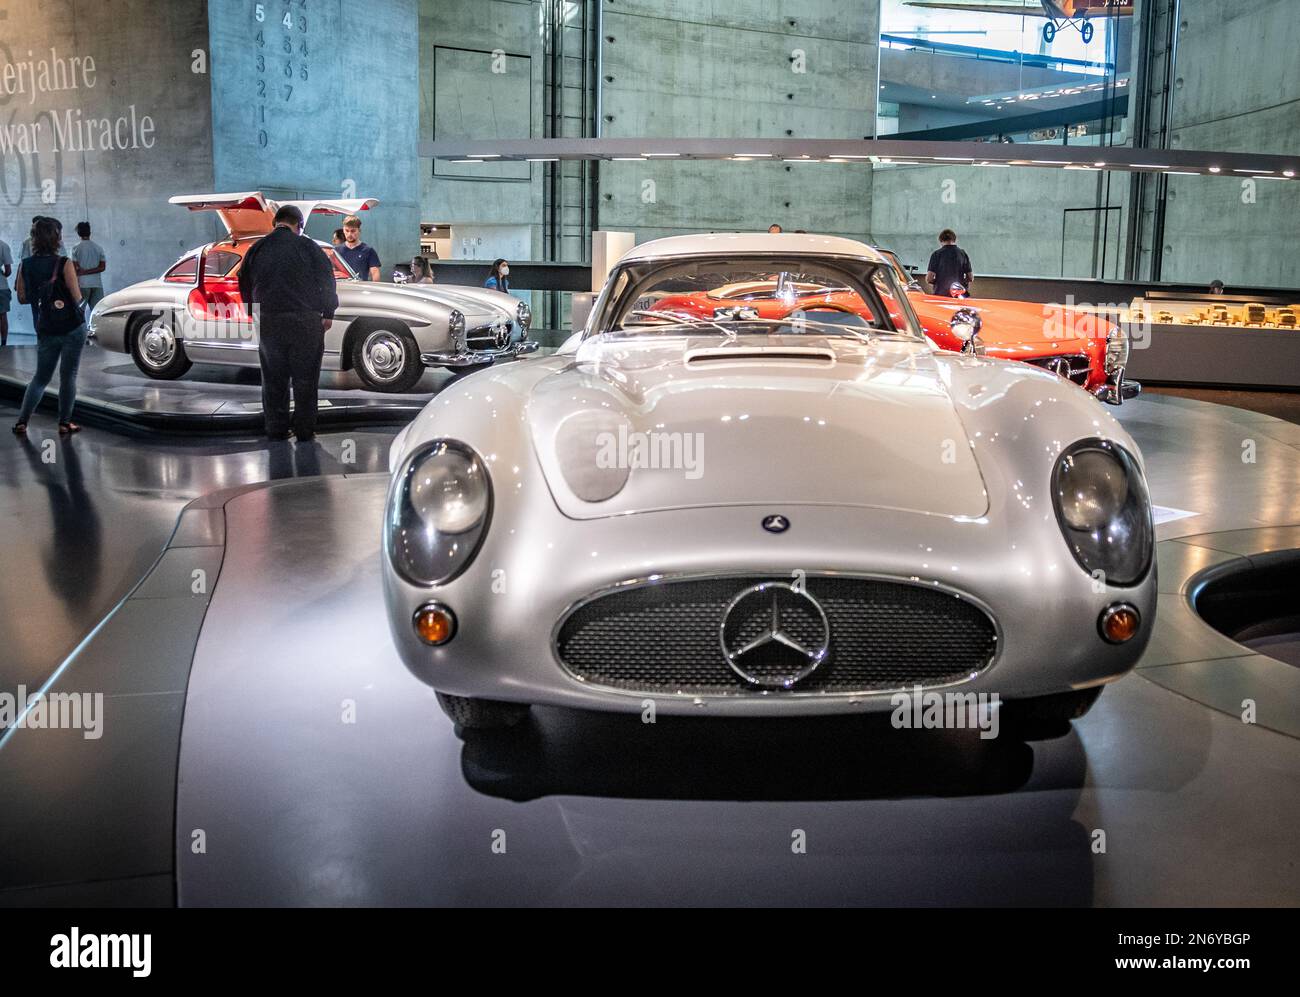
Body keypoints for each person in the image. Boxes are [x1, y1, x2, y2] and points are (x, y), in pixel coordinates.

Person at [237, 204, 339, 442]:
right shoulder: (308, 246)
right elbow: (327, 279)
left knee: (273, 378)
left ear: (275, 223)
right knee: (305, 378)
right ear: (299, 225)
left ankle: (276, 428)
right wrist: (328, 312)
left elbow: (243, 281)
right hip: (306, 322)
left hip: (270, 321)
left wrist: (252, 311)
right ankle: (304, 430)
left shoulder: (257, 248)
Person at [11, 218, 87, 435]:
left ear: (34, 238)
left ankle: (22, 422)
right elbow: (77, 298)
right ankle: (64, 423)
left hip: (45, 327)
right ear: (57, 238)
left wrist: (41, 294)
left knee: (40, 378)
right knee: (68, 375)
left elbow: (22, 298)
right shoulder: (64, 263)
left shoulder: (25, 265)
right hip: (72, 327)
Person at [71, 222, 107, 316]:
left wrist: (83, 272)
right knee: (98, 312)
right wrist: (89, 271)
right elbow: (102, 267)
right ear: (90, 232)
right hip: (97, 284)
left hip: (82, 284)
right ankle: (96, 330)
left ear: (79, 233)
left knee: (79, 311)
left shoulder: (76, 248)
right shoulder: (98, 248)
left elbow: (75, 268)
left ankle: (82, 330)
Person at [926, 229, 972, 297]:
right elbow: (970, 278)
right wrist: (961, 283)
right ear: (954, 240)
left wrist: (939, 282)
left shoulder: (936, 254)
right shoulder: (962, 254)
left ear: (941, 241)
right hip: (959, 294)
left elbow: (929, 278)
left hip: (940, 293)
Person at [336, 215, 380, 280]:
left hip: (360, 288)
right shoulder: (337, 251)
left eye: (353, 231)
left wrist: (375, 289)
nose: (349, 234)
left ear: (359, 230)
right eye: (347, 231)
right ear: (343, 230)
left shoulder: (368, 251)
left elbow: (375, 273)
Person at [0, 235, 12, 347]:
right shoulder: (3, 245)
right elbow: (8, 271)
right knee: (2, 315)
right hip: (1, 286)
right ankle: (3, 343)